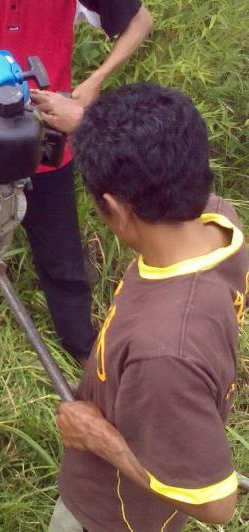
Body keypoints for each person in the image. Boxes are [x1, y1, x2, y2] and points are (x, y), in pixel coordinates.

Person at [0, 0, 154, 364]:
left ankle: (80, 345)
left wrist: (95, 80)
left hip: (43, 133)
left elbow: (140, 21)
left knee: (61, 254)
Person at [51, 82, 246, 531]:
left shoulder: (164, 351)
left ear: (116, 210)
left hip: (113, 516)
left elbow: (218, 507)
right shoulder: (218, 220)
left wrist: (101, 441)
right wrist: (91, 130)